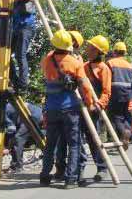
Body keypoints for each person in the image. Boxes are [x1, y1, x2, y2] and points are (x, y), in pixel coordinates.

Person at [39, 30, 95, 189]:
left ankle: (45, 176)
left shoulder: (46, 60)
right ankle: (70, 180)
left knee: (50, 144)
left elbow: (48, 66)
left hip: (51, 108)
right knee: (74, 144)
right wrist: (90, 103)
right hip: (70, 108)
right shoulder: (75, 63)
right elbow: (84, 85)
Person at [0, 0, 39, 94]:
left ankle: (23, 84)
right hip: (17, 27)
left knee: (20, 55)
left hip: (26, 27)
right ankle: (15, 81)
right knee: (6, 54)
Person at [78, 35, 112, 183]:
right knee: (77, 139)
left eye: (91, 48)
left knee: (94, 139)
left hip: (94, 109)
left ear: (98, 52)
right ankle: (78, 170)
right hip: (81, 107)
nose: (88, 50)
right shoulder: (84, 66)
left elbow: (106, 91)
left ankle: (102, 168)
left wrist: (98, 105)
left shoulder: (103, 68)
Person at [53, 30, 85, 178]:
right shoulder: (58, 56)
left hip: (71, 103)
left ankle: (77, 170)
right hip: (62, 104)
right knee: (63, 140)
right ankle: (61, 169)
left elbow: (82, 81)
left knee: (75, 140)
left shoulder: (77, 59)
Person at [107, 41, 132, 149]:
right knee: (124, 117)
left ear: (114, 51)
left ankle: (128, 133)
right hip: (127, 94)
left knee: (115, 117)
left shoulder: (110, 63)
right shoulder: (129, 66)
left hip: (115, 93)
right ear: (124, 52)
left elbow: (106, 80)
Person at [4, 101, 43, 173]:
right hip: (35, 113)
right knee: (18, 137)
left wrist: (7, 147)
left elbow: (11, 130)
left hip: (31, 115)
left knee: (18, 138)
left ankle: (17, 166)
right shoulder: (5, 107)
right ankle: (52, 156)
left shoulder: (2, 112)